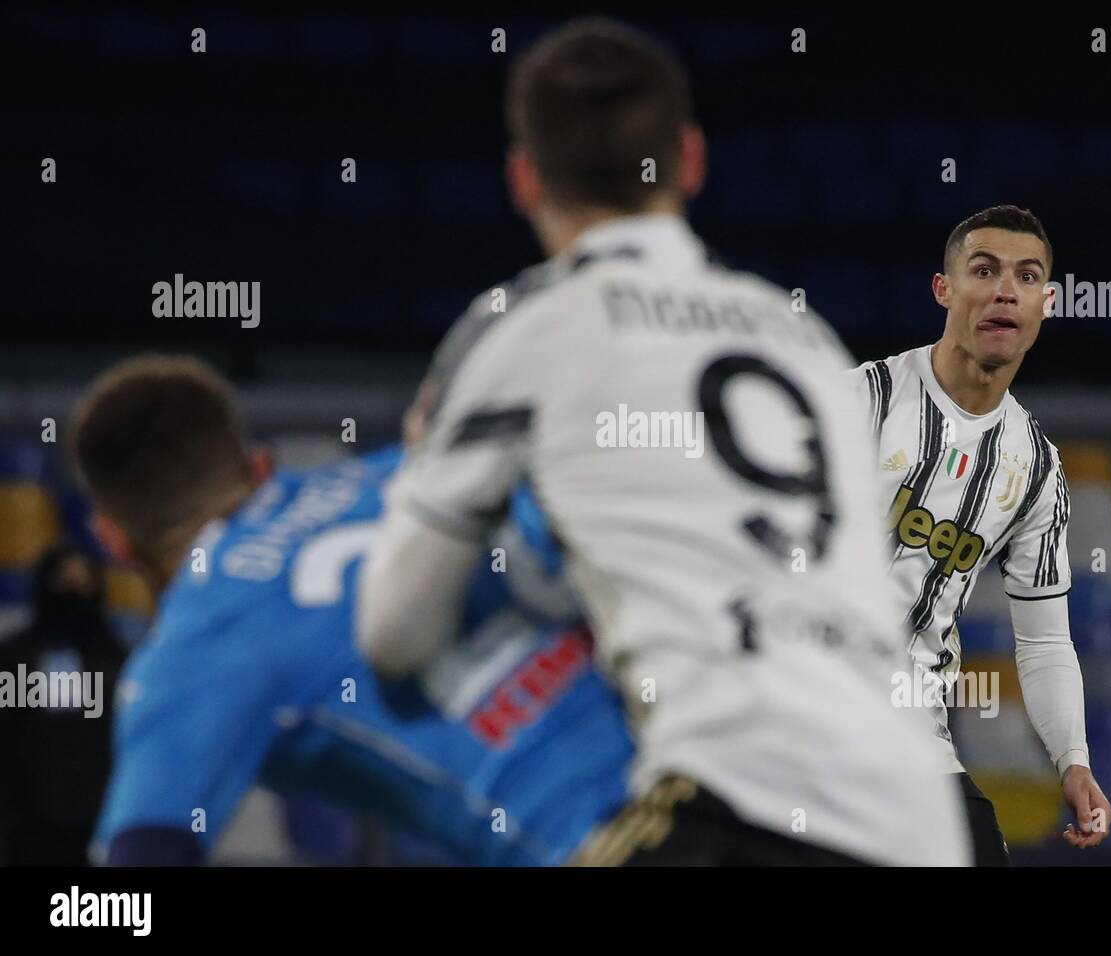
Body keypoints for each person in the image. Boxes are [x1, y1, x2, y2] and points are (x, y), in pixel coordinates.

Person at [357, 17, 969, 866]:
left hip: (744, 795)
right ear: (689, 159)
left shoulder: (526, 332)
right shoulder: (813, 344)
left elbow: (392, 633)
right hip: (923, 820)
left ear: (523, 178)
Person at [70, 354, 633, 865]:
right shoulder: (409, 470)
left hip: (599, 841)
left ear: (111, 539)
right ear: (260, 466)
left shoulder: (194, 650)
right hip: (698, 764)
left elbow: (139, 875)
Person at [854, 205, 1111, 864]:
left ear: (1045, 304)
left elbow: (1046, 640)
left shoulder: (1034, 468)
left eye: (1026, 277)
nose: (1005, 290)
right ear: (944, 290)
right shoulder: (862, 402)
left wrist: (1073, 761)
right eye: (984, 270)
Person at [0, 544, 124, 865]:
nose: (74, 588)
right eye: (65, 579)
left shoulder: (115, 655)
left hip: (101, 816)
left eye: (83, 579)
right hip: (31, 823)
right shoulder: (16, 655)